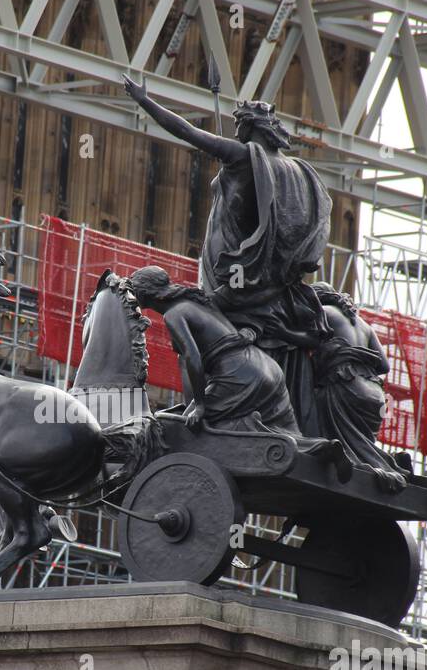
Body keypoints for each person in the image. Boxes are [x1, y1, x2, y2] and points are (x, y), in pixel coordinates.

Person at [122, 76, 333, 433]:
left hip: (236, 286)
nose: (236, 135)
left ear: (250, 128)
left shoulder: (244, 156)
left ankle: (202, 407)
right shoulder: (300, 171)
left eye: (240, 128)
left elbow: (188, 132)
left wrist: (145, 101)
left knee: (194, 339)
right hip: (267, 286)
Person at [127, 266, 298, 436]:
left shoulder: (173, 314)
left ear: (144, 292)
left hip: (238, 376)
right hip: (266, 367)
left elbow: (192, 357)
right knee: (294, 438)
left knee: (177, 429)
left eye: (133, 290)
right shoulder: (198, 300)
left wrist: (200, 405)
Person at [273, 283, 410, 492]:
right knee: (361, 443)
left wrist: (283, 332)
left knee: (311, 411)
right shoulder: (364, 325)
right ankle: (388, 464)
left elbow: (311, 338)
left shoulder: (325, 312)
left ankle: (333, 456)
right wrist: (358, 355)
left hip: (346, 384)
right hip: (375, 393)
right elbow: (384, 365)